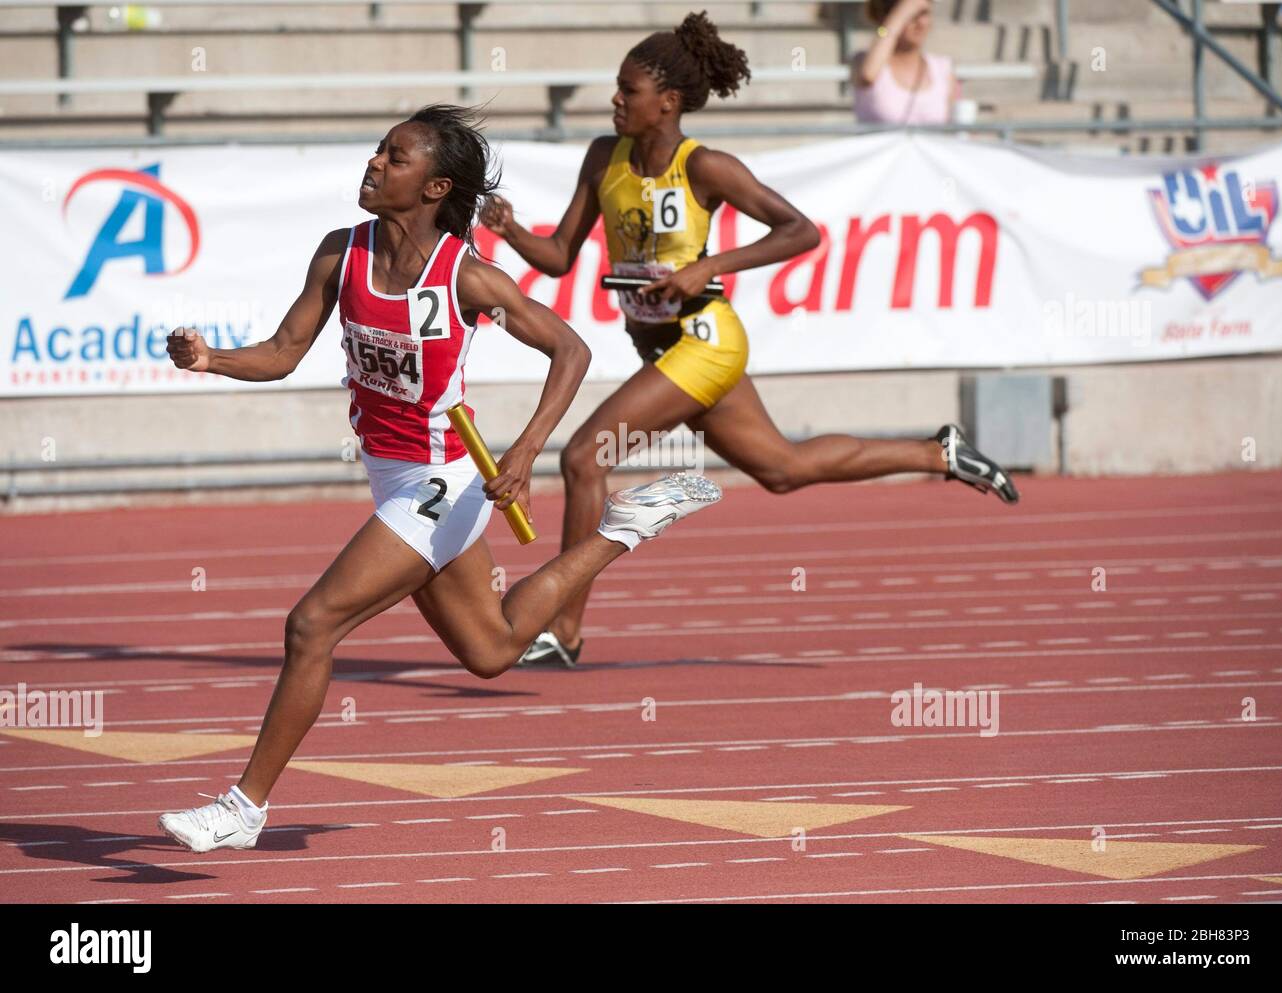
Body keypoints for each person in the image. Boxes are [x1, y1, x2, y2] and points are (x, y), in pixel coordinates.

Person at [155, 105, 721, 853]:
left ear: (435, 187)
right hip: (390, 478)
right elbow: (285, 351)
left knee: (311, 624)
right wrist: (212, 359)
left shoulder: (467, 277)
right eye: (378, 150)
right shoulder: (341, 253)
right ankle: (629, 524)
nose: (375, 164)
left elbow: (572, 350)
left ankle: (244, 805)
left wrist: (523, 452)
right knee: (493, 651)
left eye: (395, 157)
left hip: (443, 481)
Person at [479, 12, 1016, 669]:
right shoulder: (603, 157)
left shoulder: (704, 165)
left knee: (586, 458)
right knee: (782, 470)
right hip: (661, 350)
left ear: (667, 103)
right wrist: (509, 231)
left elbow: (801, 230)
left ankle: (562, 628)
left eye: (628, 90)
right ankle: (938, 453)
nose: (615, 100)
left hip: (705, 341)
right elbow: (561, 255)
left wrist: (707, 267)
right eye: (616, 89)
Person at [851, 0, 957, 125]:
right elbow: (867, 76)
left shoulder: (941, 68)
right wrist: (901, 13)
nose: (920, 23)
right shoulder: (864, 61)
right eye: (912, 16)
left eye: (925, 14)